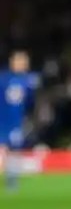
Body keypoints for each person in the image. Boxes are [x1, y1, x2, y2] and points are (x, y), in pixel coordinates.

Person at [1, 51, 38, 191]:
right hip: (2, 120)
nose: (21, 64)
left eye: (24, 62)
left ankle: (12, 179)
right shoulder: (3, 79)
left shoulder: (28, 82)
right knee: (3, 149)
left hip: (16, 121)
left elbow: (30, 103)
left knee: (15, 149)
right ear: (12, 62)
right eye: (18, 61)